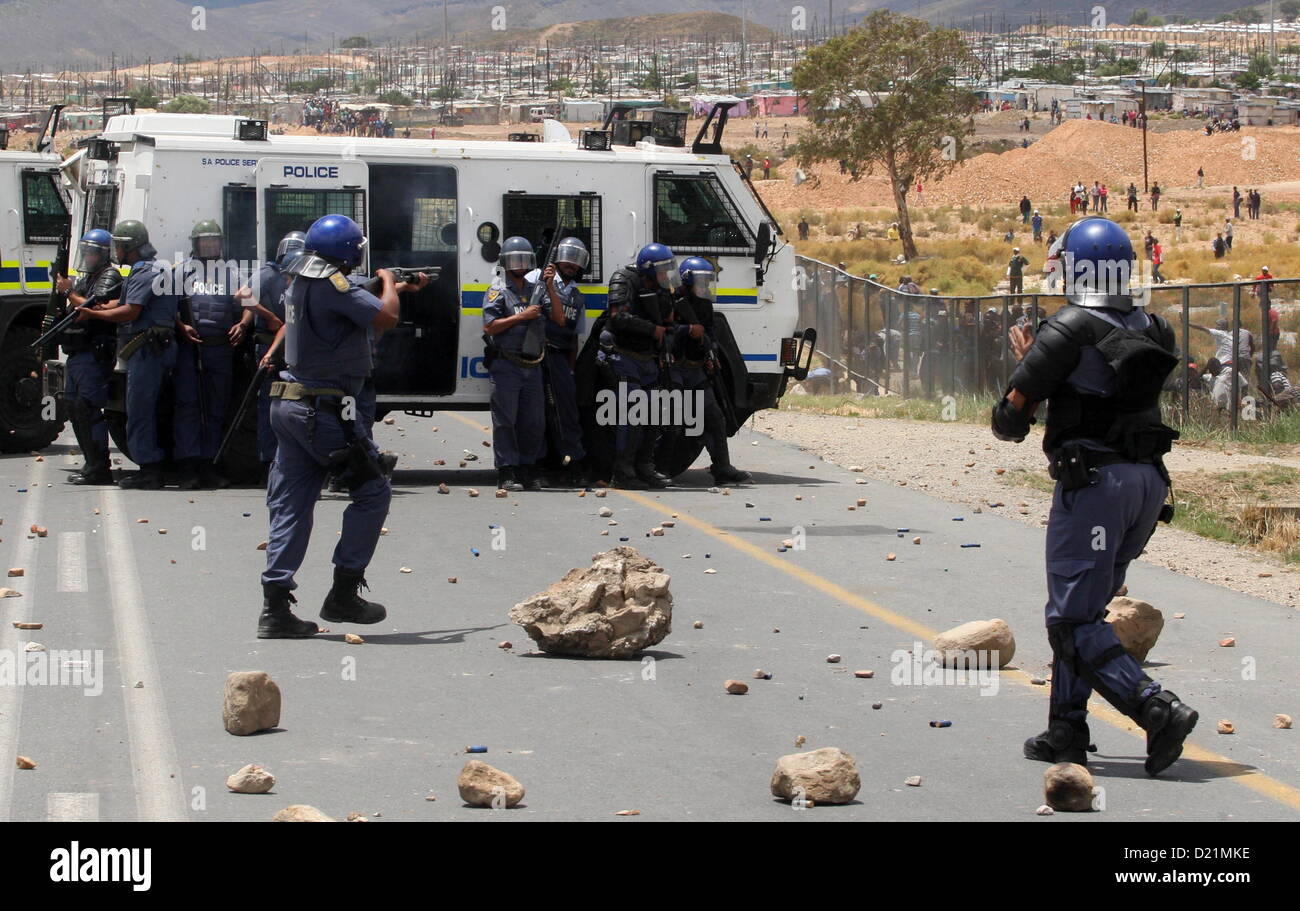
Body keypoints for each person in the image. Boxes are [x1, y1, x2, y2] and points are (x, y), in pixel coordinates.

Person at [991, 215, 1198, 777]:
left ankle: (1157, 708)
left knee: (1069, 622)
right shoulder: (1156, 328)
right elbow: (1115, 391)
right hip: (1148, 486)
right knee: (1084, 612)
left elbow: (1008, 421)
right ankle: (1066, 731)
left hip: (1096, 485)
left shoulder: (1065, 328)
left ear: (1074, 269)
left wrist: (1030, 357)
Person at [259, 214, 426, 639]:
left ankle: (275, 608)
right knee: (372, 494)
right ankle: (343, 594)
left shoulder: (300, 279)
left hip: (293, 406)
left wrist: (396, 286)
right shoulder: (332, 285)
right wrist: (389, 281)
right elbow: (385, 317)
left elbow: (347, 300)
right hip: (325, 411)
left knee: (292, 506)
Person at [74, 221, 176, 490]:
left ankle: (150, 469)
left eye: (119, 245)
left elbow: (130, 311)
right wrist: (85, 303)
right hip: (145, 349)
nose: (115, 251)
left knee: (140, 410)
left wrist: (93, 314)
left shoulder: (145, 272)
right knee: (139, 409)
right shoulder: (142, 270)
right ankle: (149, 465)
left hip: (148, 350)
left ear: (130, 247)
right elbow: (117, 304)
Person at [667, 257, 750, 486]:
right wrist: (688, 330)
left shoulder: (704, 305)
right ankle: (659, 468)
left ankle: (722, 468)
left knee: (714, 417)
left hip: (695, 370)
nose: (705, 285)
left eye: (707, 281)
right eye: (701, 281)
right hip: (673, 369)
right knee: (669, 421)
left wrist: (710, 351)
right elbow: (665, 330)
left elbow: (711, 333)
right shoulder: (673, 301)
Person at [171, 220, 240, 490]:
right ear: (195, 243)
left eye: (214, 240)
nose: (210, 245)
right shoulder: (181, 272)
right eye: (205, 240)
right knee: (187, 406)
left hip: (220, 349)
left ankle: (209, 464)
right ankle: (187, 467)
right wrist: (181, 326)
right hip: (190, 348)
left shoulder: (231, 272)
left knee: (216, 408)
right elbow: (166, 308)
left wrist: (243, 324)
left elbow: (248, 302)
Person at [602, 243, 677, 489]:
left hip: (648, 360)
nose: (666, 275)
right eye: (662, 271)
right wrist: (652, 329)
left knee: (654, 416)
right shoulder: (624, 279)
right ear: (648, 269)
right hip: (624, 357)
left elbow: (667, 319)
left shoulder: (661, 287)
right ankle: (623, 472)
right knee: (632, 417)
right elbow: (618, 317)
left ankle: (645, 467)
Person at [54, 229, 122, 485]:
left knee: (88, 407)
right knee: (73, 406)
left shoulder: (109, 276)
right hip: (77, 352)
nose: (88, 256)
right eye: (86, 251)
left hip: (94, 352)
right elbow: (74, 310)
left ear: (103, 254)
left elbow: (89, 308)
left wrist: (68, 292)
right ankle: (91, 463)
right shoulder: (87, 278)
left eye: (92, 252)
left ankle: (99, 467)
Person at [236, 231, 306, 471]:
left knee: (298, 408)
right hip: (270, 348)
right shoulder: (269, 272)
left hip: (297, 350)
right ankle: (269, 464)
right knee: (270, 407)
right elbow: (242, 295)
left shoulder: (305, 277)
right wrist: (269, 316)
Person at [484, 236, 545, 492]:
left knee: (533, 421)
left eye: (525, 259)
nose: (520, 264)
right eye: (515, 259)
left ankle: (527, 469)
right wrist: (523, 316)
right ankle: (507, 471)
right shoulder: (498, 289)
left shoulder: (535, 289)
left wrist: (549, 284)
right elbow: (490, 326)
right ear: (506, 263)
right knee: (506, 419)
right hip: (507, 363)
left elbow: (556, 317)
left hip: (533, 365)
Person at [528, 236, 589, 484]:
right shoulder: (535, 279)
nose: (571, 265)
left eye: (577, 262)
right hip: (534, 357)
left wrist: (571, 368)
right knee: (535, 414)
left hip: (560, 357)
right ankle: (536, 465)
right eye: (568, 259)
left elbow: (574, 335)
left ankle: (574, 464)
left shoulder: (577, 295)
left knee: (567, 413)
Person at [1192, 317, 1253, 410]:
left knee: (1211, 382)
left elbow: (1202, 328)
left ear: (1222, 327)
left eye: (1217, 325)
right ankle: (1241, 406)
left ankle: (1217, 405)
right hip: (1230, 365)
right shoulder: (1230, 336)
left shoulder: (1220, 333)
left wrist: (1187, 323)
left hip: (1222, 366)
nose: (1215, 327)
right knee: (1234, 388)